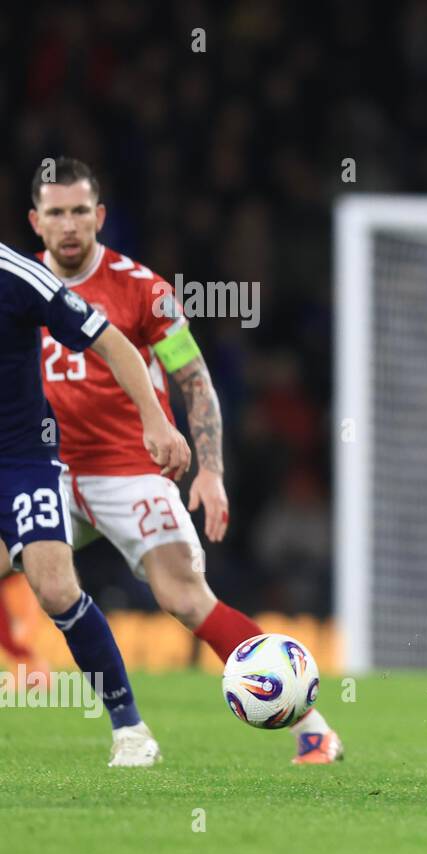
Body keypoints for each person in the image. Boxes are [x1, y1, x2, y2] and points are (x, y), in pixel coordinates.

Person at [6, 157, 343, 764]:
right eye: (56, 213)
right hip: (48, 468)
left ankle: (311, 724)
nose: (70, 225)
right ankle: (123, 728)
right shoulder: (20, 284)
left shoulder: (143, 289)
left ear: (100, 215)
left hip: (128, 470)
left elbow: (194, 378)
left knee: (185, 597)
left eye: (81, 210)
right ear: (36, 221)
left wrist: (209, 468)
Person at [1, 238, 189, 766]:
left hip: (22, 460)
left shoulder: (17, 276)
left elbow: (112, 343)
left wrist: (153, 419)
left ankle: (130, 727)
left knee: (56, 588)